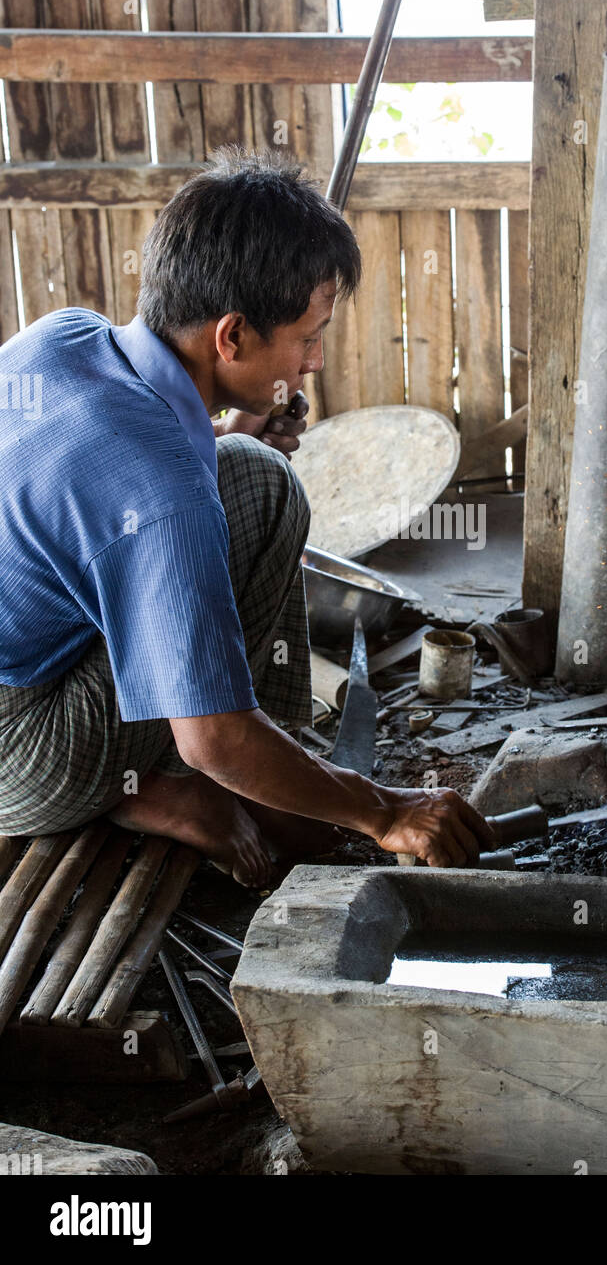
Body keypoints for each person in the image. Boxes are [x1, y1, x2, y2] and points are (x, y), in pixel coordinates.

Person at [0, 147, 493, 884]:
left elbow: (93, 487)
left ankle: (269, 758)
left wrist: (218, 438)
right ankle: (155, 789)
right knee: (217, 735)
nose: (314, 362)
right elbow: (212, 736)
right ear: (230, 337)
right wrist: (384, 811)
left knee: (258, 476)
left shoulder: (63, 335)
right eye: (307, 335)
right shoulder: (163, 489)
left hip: (26, 669)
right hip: (20, 757)